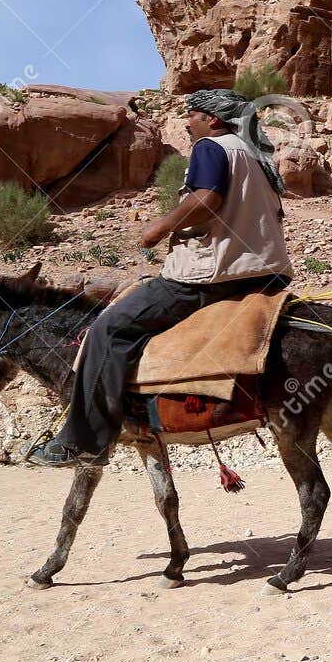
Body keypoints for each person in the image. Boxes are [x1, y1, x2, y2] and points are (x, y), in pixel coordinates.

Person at [30, 89, 293, 466]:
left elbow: (207, 199)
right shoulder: (256, 156)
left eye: (191, 115)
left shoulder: (212, 147)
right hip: (264, 274)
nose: (186, 123)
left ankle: (83, 443)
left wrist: (158, 228)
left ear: (212, 120)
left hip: (211, 275)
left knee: (110, 328)